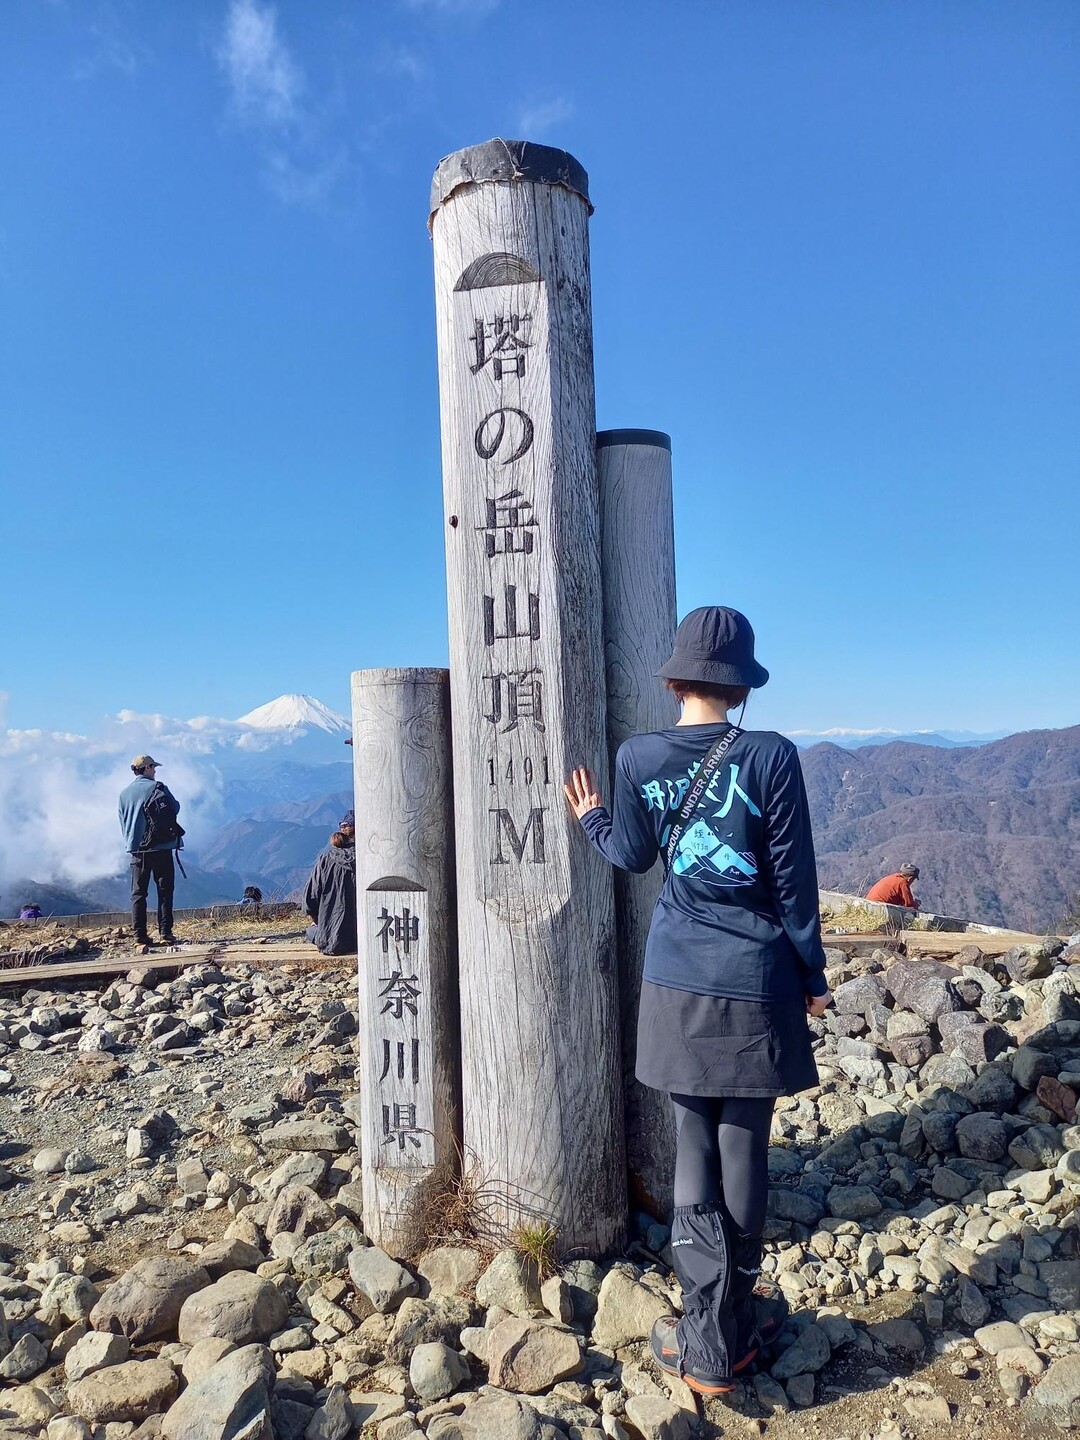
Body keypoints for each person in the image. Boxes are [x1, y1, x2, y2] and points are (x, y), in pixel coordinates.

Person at [565, 606, 832, 1397]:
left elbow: (635, 854)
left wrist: (592, 819)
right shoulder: (771, 756)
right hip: (755, 979)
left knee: (692, 1146)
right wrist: (811, 974)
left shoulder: (638, 756)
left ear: (676, 678)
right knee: (744, 1144)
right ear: (742, 686)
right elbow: (794, 882)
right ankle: (734, 1329)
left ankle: (701, 1333)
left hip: (676, 977)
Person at [118, 754, 182, 949]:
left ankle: (139, 935)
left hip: (137, 850)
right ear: (146, 768)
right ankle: (165, 932)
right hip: (161, 846)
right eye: (153, 767)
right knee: (165, 891)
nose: (155, 771)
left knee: (138, 893)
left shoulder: (124, 794)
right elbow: (176, 808)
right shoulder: (159, 788)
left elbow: (122, 820)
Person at [303, 829, 357, 956]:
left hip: (331, 941)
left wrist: (319, 922)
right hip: (362, 939)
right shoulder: (368, 858)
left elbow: (310, 900)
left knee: (310, 931)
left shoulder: (326, 859)